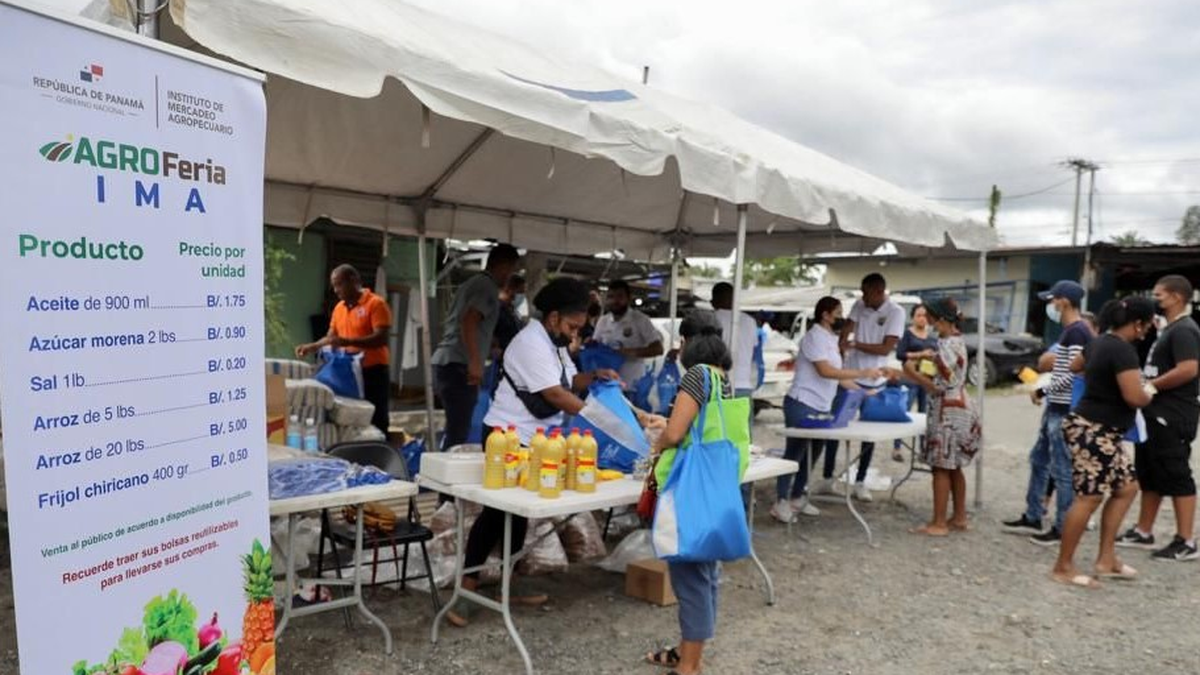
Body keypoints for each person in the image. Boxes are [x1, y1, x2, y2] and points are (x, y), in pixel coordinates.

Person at [447, 278, 661, 627]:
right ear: (554, 318)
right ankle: (465, 593)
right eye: (573, 327)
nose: (576, 334)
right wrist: (602, 419)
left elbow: (569, 382)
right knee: (495, 513)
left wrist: (595, 375)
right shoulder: (531, 343)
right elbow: (555, 395)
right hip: (506, 436)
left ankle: (506, 587)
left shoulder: (555, 343)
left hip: (537, 439)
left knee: (518, 516)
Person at [643, 313, 742, 675]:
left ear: (686, 341)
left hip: (690, 488)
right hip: (714, 484)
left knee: (690, 578)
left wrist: (657, 444)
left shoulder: (696, 375)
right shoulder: (720, 377)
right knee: (705, 573)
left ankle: (689, 666)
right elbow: (698, 428)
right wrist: (669, 425)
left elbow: (674, 435)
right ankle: (689, 654)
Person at [1052, 297, 1156, 587]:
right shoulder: (1123, 351)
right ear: (1138, 323)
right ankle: (1062, 566)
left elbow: (1076, 365)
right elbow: (1134, 398)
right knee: (1089, 497)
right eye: (1148, 325)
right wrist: (1148, 393)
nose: (1148, 330)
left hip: (1100, 429)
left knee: (1127, 487)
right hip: (1094, 429)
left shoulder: (1098, 342)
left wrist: (1101, 380)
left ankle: (1106, 560)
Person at [772, 296, 883, 523]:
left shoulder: (831, 339)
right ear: (825, 315)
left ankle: (797, 496)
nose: (842, 317)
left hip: (822, 405)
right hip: (802, 402)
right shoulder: (813, 337)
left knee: (813, 452)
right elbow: (825, 371)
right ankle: (780, 500)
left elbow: (839, 378)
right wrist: (862, 373)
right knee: (794, 453)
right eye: (838, 313)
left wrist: (864, 391)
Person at [1002, 280, 1092, 545]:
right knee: (1039, 459)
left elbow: (1073, 373)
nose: (1050, 306)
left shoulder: (1077, 332)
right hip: (1056, 406)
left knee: (1062, 470)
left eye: (1053, 300)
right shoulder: (1071, 331)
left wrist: (1042, 390)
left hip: (1065, 409)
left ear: (1064, 301)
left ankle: (1063, 528)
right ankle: (1033, 514)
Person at [1117, 275, 1200, 561]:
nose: (1155, 300)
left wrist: (1152, 386)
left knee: (1176, 474)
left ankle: (1186, 540)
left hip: (1172, 414)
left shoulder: (1185, 330)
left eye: (1159, 295)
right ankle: (1144, 530)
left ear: (1176, 297)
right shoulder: (1167, 329)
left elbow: (1188, 369)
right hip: (1153, 413)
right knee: (1150, 473)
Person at [430, 244, 521, 452]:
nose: (510, 277)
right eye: (512, 270)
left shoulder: (471, 283)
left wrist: (490, 345)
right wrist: (475, 361)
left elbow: (469, 323)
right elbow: (469, 321)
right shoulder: (486, 286)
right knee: (458, 433)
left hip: (447, 362)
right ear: (504, 265)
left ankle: (445, 464)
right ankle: (447, 470)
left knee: (455, 429)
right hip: (459, 364)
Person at [902, 298, 981, 536]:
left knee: (941, 467)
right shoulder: (953, 341)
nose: (928, 322)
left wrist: (911, 373)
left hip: (948, 410)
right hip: (958, 405)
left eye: (931, 318)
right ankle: (959, 517)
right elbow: (939, 370)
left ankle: (938, 523)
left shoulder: (948, 345)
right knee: (954, 466)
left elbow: (938, 385)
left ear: (943, 320)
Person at [829, 273, 905, 502]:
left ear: (879, 291)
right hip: (850, 375)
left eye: (866, 292)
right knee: (835, 426)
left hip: (875, 379)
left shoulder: (896, 312)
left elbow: (885, 348)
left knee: (868, 434)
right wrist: (842, 343)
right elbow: (848, 328)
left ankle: (860, 481)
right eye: (861, 292)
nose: (863, 297)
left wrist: (854, 344)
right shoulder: (859, 305)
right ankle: (827, 477)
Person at [295, 264, 393, 434]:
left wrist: (347, 342)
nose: (336, 290)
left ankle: (381, 447)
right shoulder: (339, 308)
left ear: (353, 281)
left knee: (377, 417)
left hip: (373, 370)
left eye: (339, 284)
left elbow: (381, 338)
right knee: (352, 415)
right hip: (349, 373)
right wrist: (313, 346)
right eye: (334, 285)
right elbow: (331, 337)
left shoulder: (376, 304)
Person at [592, 280, 664, 384]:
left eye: (620, 296)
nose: (615, 301)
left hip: (633, 383)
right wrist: (589, 344)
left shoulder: (640, 319)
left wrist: (630, 352)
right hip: (607, 383)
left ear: (629, 298)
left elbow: (658, 349)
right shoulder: (603, 321)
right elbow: (595, 344)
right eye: (611, 297)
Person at [892, 304, 938, 462]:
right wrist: (920, 354)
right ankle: (897, 448)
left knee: (924, 414)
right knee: (904, 410)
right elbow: (900, 354)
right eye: (919, 315)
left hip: (926, 379)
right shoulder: (907, 334)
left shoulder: (932, 335)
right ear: (913, 317)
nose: (922, 319)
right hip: (910, 378)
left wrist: (932, 357)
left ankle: (923, 450)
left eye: (925, 316)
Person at [711, 282, 760, 399]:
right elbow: (755, 352)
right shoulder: (750, 321)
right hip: (744, 385)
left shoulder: (710, 319)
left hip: (717, 385)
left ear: (714, 301)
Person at [493, 273, 527, 352]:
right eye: (520, 292)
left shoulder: (512, 309)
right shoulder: (496, 308)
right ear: (510, 289)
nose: (522, 296)